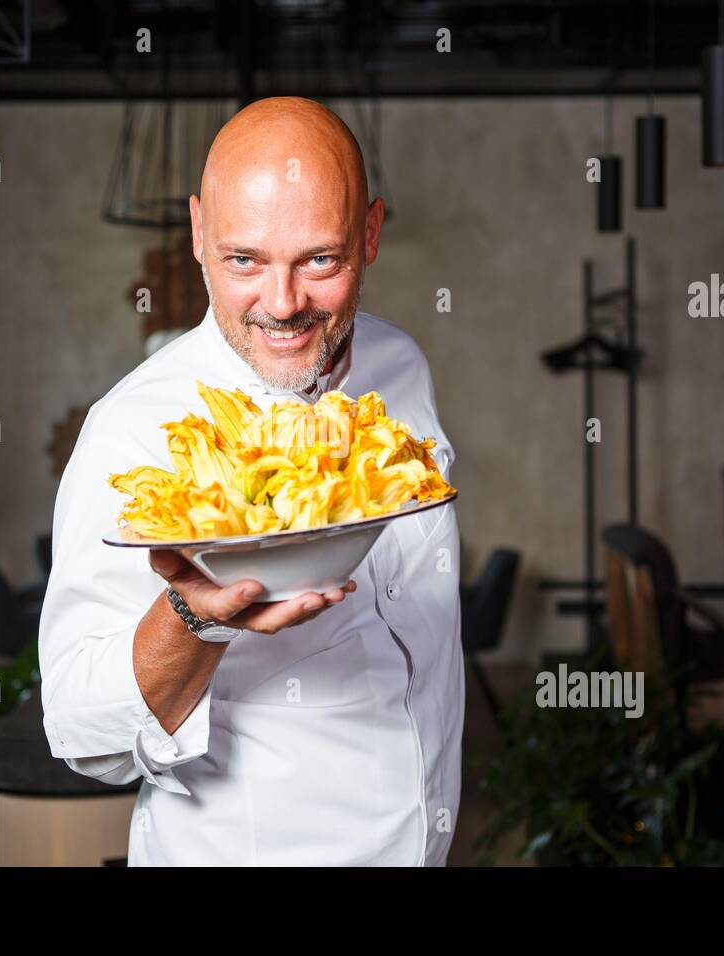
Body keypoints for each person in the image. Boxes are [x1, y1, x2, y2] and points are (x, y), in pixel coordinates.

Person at [39, 96, 463, 865]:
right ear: (199, 234)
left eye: (320, 260)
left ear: (369, 234)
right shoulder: (133, 430)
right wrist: (195, 619)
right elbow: (78, 729)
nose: (283, 304)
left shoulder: (401, 364)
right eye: (244, 260)